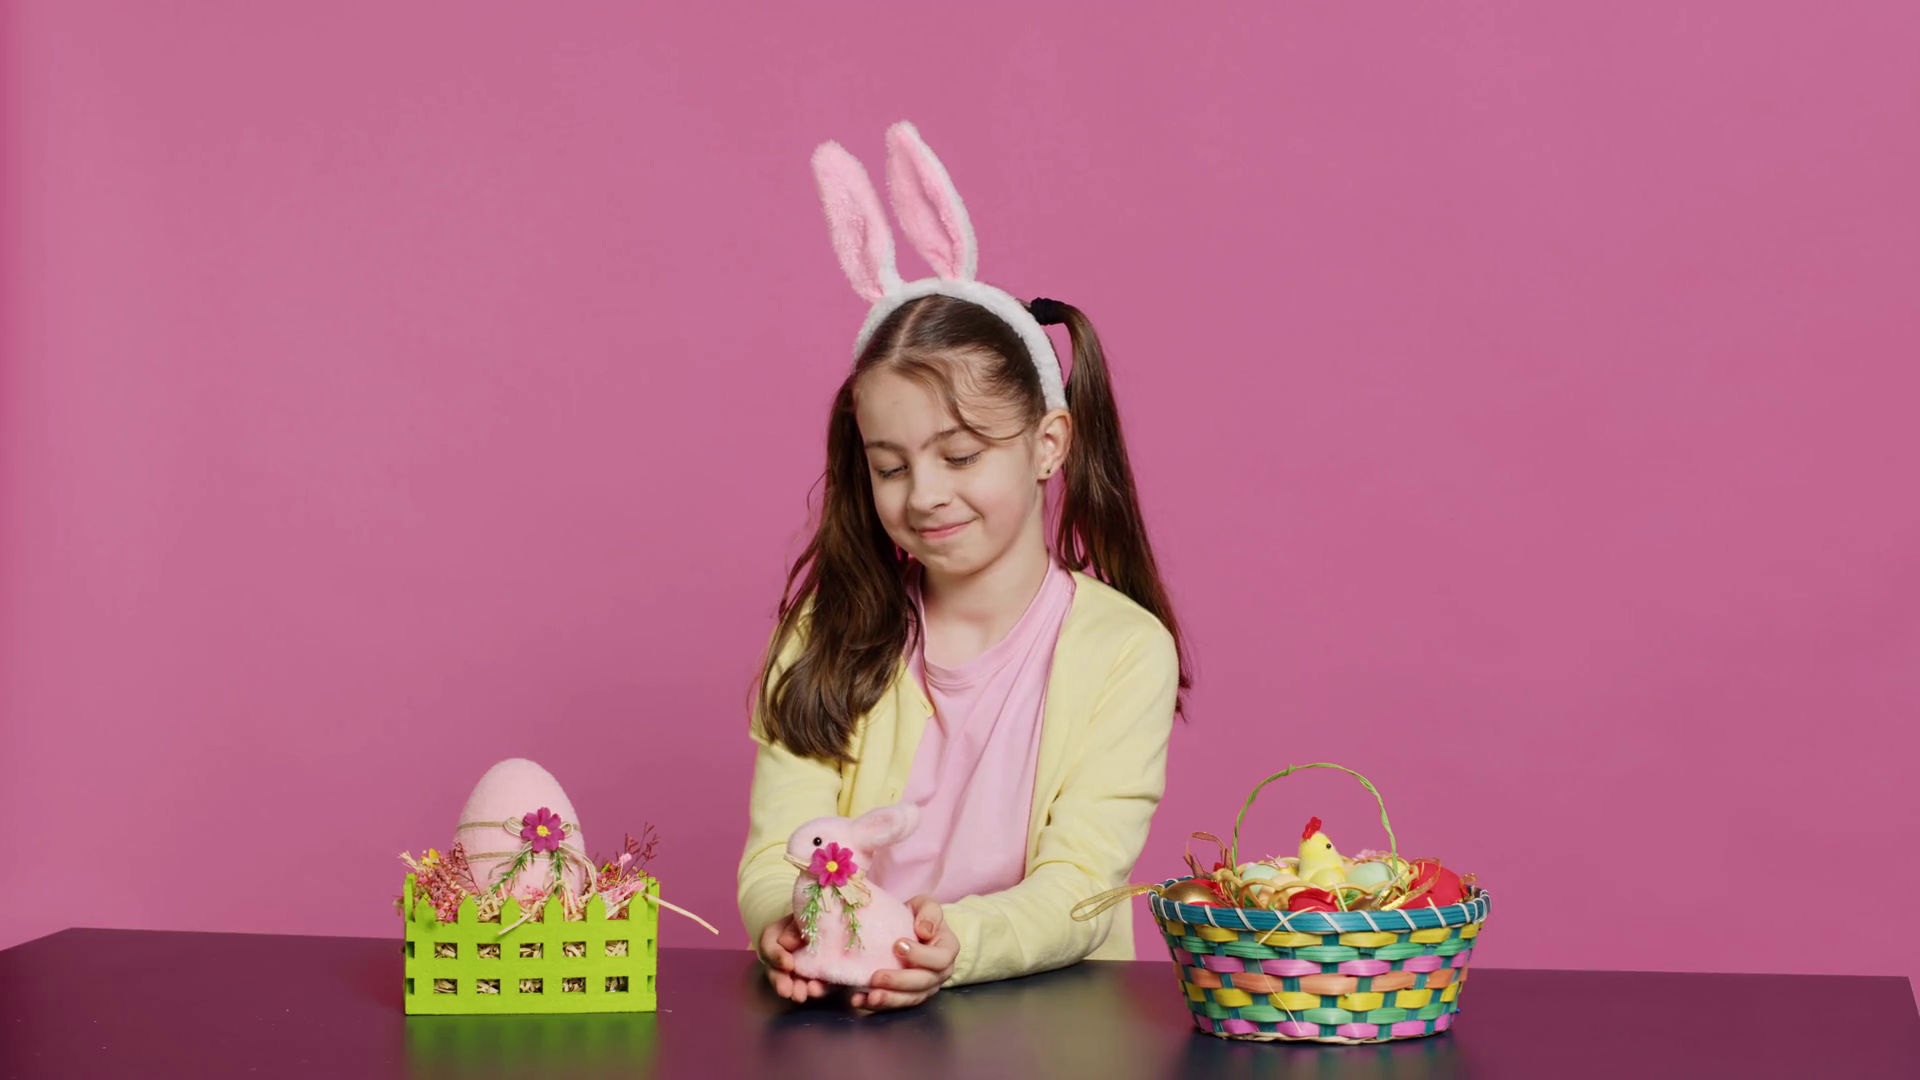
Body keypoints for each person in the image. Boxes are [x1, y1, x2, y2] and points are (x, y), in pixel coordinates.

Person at [737, 122, 1190, 1011]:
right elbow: (775, 850)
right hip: (849, 1020)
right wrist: (785, 924)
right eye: (892, 466)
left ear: (1047, 443)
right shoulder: (822, 635)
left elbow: (1082, 884)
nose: (926, 494)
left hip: (1053, 1024)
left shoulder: (1125, 651)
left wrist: (948, 946)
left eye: (961, 453)